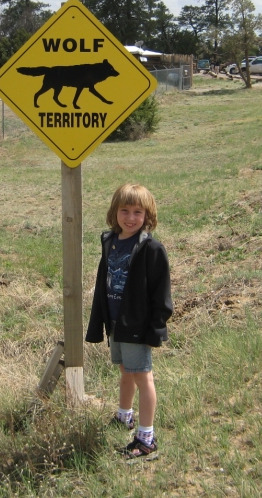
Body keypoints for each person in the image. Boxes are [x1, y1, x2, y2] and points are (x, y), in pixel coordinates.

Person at [85, 183, 173, 458]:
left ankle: (146, 438)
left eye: (138, 212)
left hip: (137, 326)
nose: (131, 218)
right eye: (125, 210)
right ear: (115, 212)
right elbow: (103, 283)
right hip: (116, 323)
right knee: (125, 371)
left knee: (142, 377)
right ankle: (125, 416)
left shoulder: (151, 249)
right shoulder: (110, 242)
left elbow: (162, 293)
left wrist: (156, 326)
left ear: (148, 215)